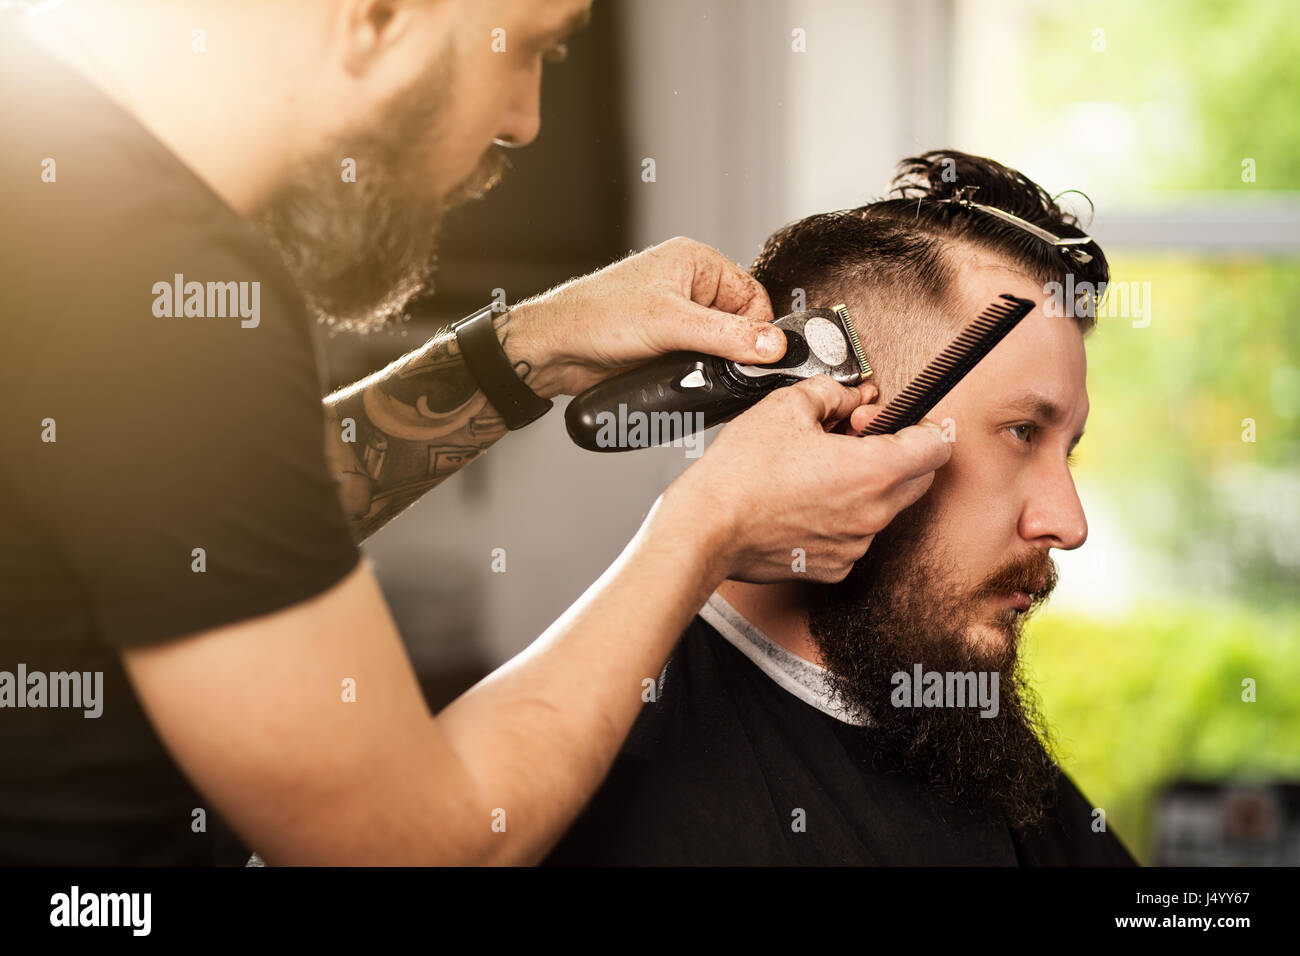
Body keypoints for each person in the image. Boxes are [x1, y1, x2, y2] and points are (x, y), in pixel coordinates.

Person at [0, 0, 952, 865]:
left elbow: (203, 518)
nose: (525, 119)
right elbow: (421, 849)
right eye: (526, 48)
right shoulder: (154, 290)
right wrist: (702, 527)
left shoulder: (54, 183)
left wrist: (521, 351)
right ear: (376, 18)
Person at [545, 151, 1140, 866]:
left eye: (1066, 450)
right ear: (834, 423)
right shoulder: (636, 807)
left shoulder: (954, 729)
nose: (1068, 524)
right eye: (1021, 434)